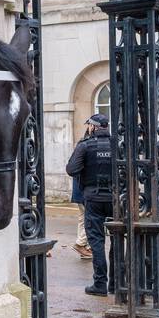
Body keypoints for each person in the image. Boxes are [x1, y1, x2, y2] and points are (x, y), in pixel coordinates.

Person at [65, 113, 112, 295]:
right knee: (116, 239)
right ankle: (117, 283)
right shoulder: (117, 144)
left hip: (93, 199)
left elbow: (71, 169)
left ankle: (100, 284)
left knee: (97, 242)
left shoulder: (85, 145)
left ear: (93, 127)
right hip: (115, 198)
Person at [71, 118, 94, 260]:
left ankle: (84, 245)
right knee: (88, 217)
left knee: (83, 217)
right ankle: (81, 244)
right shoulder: (86, 145)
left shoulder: (82, 144)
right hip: (84, 188)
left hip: (80, 188)